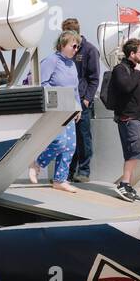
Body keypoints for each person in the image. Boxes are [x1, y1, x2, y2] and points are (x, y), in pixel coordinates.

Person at [103, 38, 140, 202]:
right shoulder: (121, 69)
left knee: (136, 152)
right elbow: (126, 87)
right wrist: (138, 73)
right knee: (133, 152)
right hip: (128, 117)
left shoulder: (137, 70)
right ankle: (123, 184)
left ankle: (127, 184)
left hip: (139, 118)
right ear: (132, 53)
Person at [28, 30, 81, 193]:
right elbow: (42, 83)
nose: (76, 49)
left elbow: (75, 89)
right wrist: (59, 94)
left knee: (70, 146)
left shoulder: (72, 64)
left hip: (69, 110)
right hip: (55, 110)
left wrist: (78, 107)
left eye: (78, 46)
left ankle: (60, 180)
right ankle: (37, 164)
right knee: (60, 143)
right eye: (74, 45)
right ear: (63, 44)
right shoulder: (51, 61)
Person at [62, 18, 101, 183]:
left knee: (83, 138)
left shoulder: (90, 50)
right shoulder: (65, 50)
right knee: (68, 139)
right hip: (67, 102)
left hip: (82, 101)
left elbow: (94, 78)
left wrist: (86, 99)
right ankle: (68, 172)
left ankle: (84, 171)